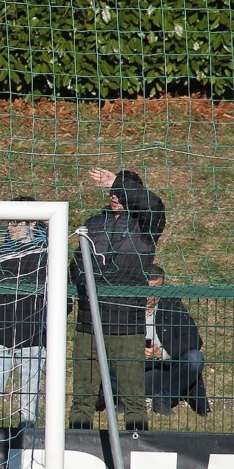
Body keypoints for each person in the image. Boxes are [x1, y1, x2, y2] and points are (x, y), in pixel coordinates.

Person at [69, 168, 163, 430]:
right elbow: (77, 262)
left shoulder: (146, 224)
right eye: (112, 191)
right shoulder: (94, 222)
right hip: (88, 320)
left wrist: (118, 182)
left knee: (133, 397)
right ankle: (77, 441)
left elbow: (154, 203)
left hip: (127, 323)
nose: (115, 196)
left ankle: (137, 444)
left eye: (121, 192)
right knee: (82, 396)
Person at [0, 211, 48, 428]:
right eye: (8, 222)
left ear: (32, 222)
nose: (10, 227)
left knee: (29, 403)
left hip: (33, 339)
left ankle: (28, 449)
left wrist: (42, 325)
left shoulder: (49, 256)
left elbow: (63, 300)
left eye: (15, 222)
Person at [142, 265, 209, 416]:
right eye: (145, 289)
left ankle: (164, 398)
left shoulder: (172, 305)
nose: (148, 296)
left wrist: (162, 353)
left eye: (154, 290)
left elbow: (194, 339)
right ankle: (120, 397)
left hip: (167, 371)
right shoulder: (125, 308)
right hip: (136, 371)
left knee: (195, 358)